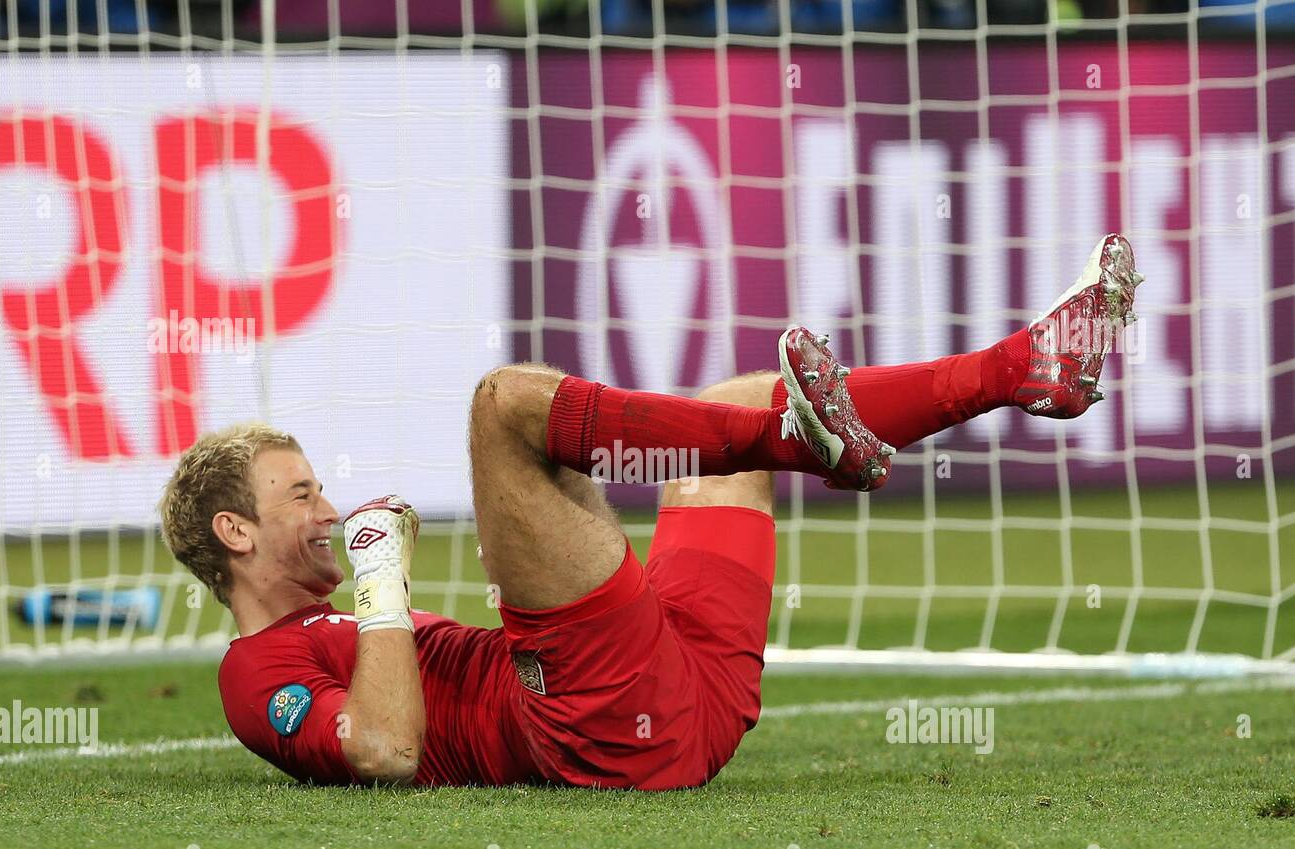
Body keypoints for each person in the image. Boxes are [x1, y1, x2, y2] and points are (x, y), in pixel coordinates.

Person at [159, 234, 1140, 789]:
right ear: (234, 532)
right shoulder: (257, 674)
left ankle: (1021, 371)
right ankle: (806, 442)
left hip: (686, 689)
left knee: (739, 396)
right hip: (601, 727)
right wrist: (381, 580)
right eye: (301, 494)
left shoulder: (328, 624)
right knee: (503, 406)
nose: (328, 507)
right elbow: (383, 749)